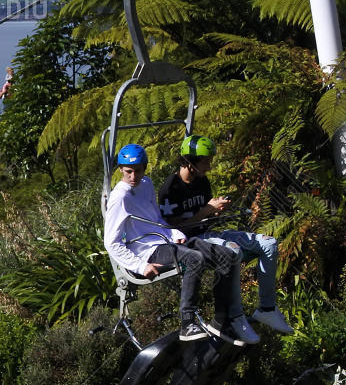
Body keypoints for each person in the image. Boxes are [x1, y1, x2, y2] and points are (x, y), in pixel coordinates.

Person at [104, 143, 251, 344]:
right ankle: (187, 323)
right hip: (148, 251)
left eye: (137, 171)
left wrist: (174, 233)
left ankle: (220, 322)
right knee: (195, 259)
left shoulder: (146, 184)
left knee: (226, 255)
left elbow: (156, 220)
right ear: (120, 169)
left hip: (165, 240)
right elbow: (111, 242)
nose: (133, 176)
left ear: (144, 168)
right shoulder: (120, 196)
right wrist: (140, 265)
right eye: (128, 171)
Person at [159, 135, 293, 337]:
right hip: (192, 243)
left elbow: (205, 215)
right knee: (233, 250)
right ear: (189, 162)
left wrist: (216, 210)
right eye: (205, 162)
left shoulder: (202, 181)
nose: (209, 166)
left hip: (210, 233)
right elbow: (173, 230)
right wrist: (206, 210)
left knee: (268, 244)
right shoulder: (171, 188)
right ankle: (234, 316)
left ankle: (267, 309)